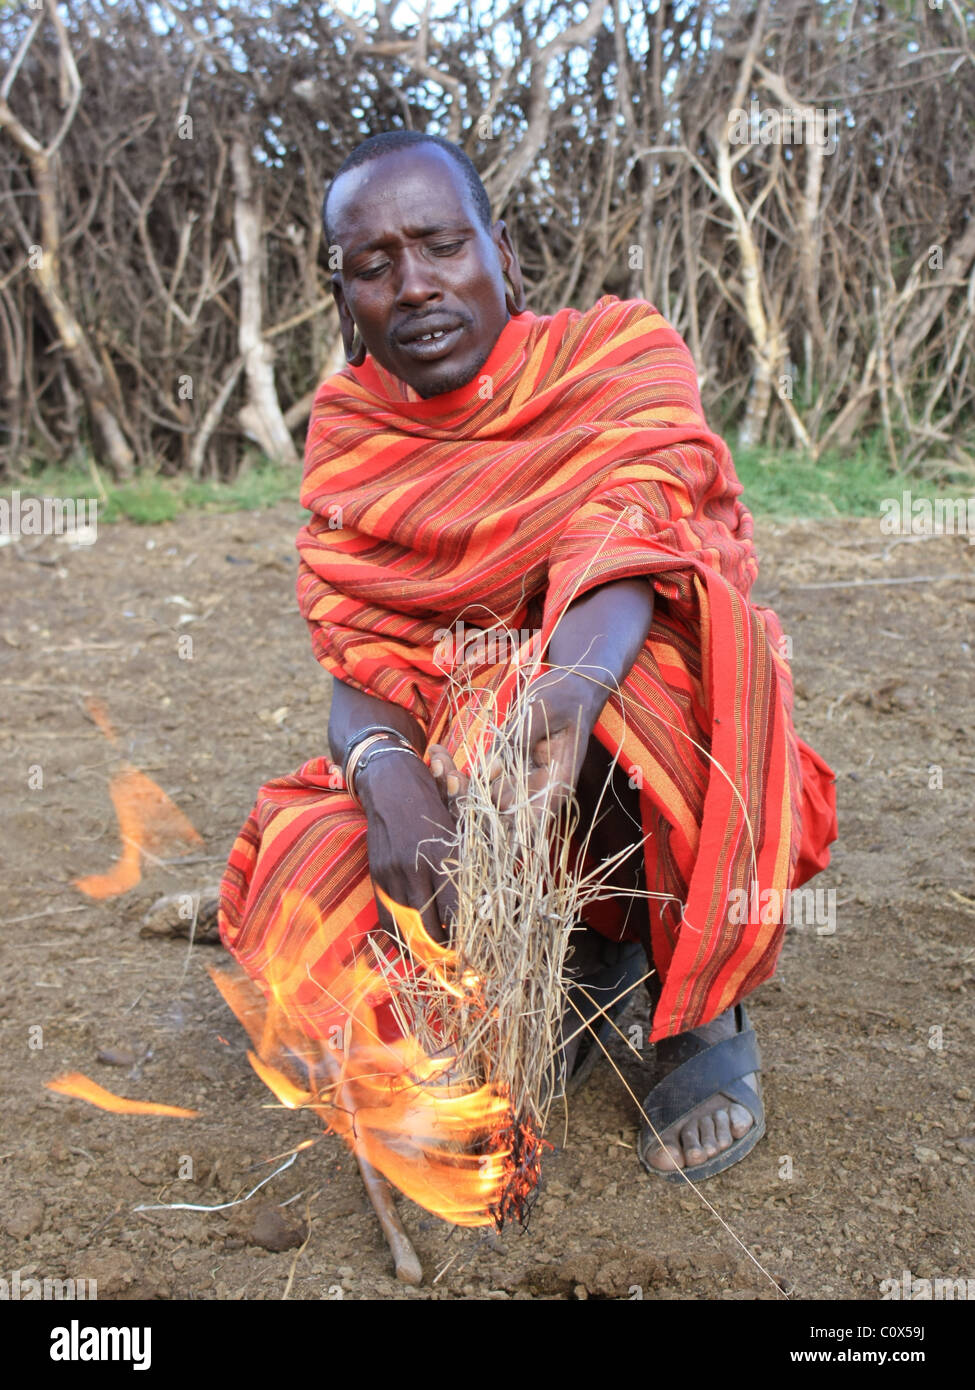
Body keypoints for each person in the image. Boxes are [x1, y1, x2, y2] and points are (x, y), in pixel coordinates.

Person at [218, 130, 837, 1184]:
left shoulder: (617, 353)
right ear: (343, 299)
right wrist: (389, 775)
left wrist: (565, 685)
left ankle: (694, 996)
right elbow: (362, 657)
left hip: (623, 748)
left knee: (674, 664)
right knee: (312, 871)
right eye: (374, 266)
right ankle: (570, 954)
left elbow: (637, 529)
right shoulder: (353, 429)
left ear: (502, 252)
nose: (414, 287)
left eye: (442, 246)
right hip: (479, 788)